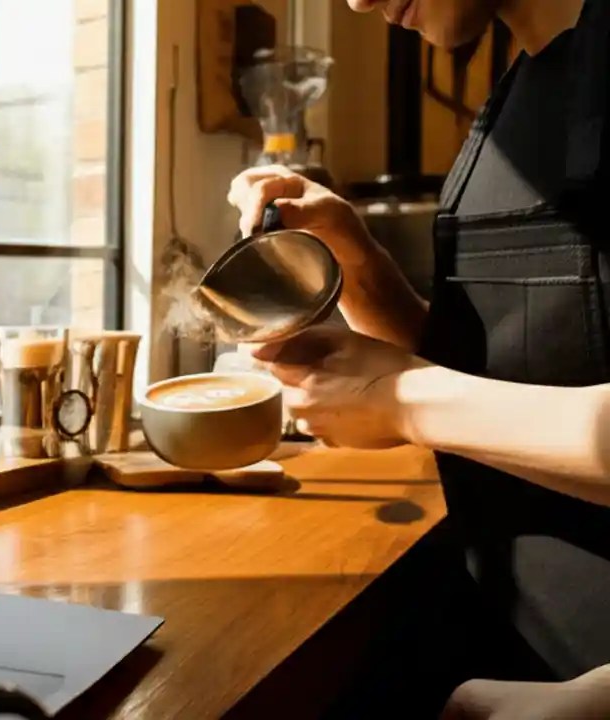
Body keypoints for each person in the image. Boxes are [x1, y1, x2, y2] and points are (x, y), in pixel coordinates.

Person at [227, 0, 610, 716]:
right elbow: (500, 376)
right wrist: (355, 256)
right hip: (508, 627)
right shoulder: (520, 88)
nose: (355, 2)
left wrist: (398, 398)